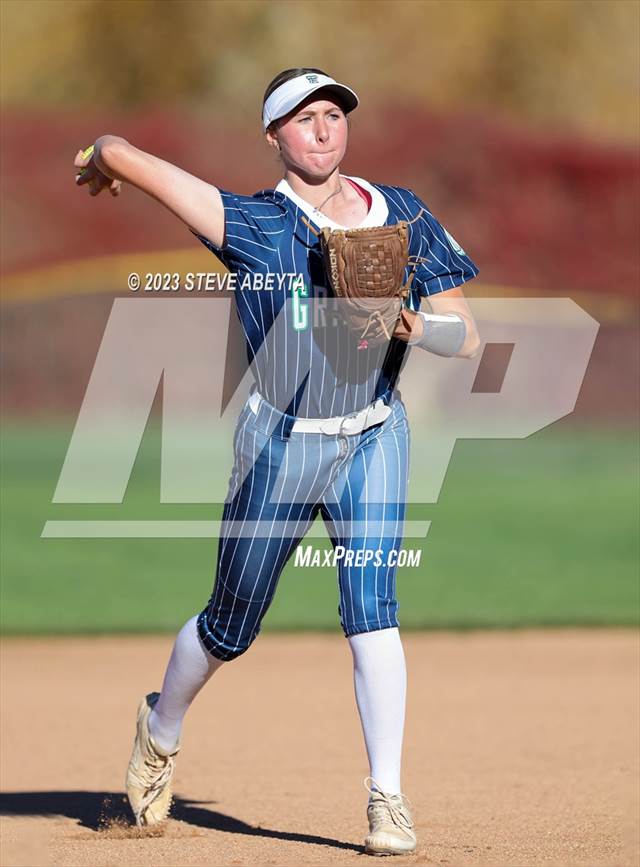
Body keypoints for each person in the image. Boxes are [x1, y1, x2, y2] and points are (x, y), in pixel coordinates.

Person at [75, 67, 480, 856]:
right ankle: (160, 731)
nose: (323, 130)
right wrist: (102, 155)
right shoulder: (253, 224)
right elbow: (129, 157)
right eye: (304, 119)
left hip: (374, 434)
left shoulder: (402, 212)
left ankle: (386, 798)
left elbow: (465, 334)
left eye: (334, 115)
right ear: (274, 137)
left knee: (374, 609)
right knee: (232, 625)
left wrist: (411, 324)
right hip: (282, 443)